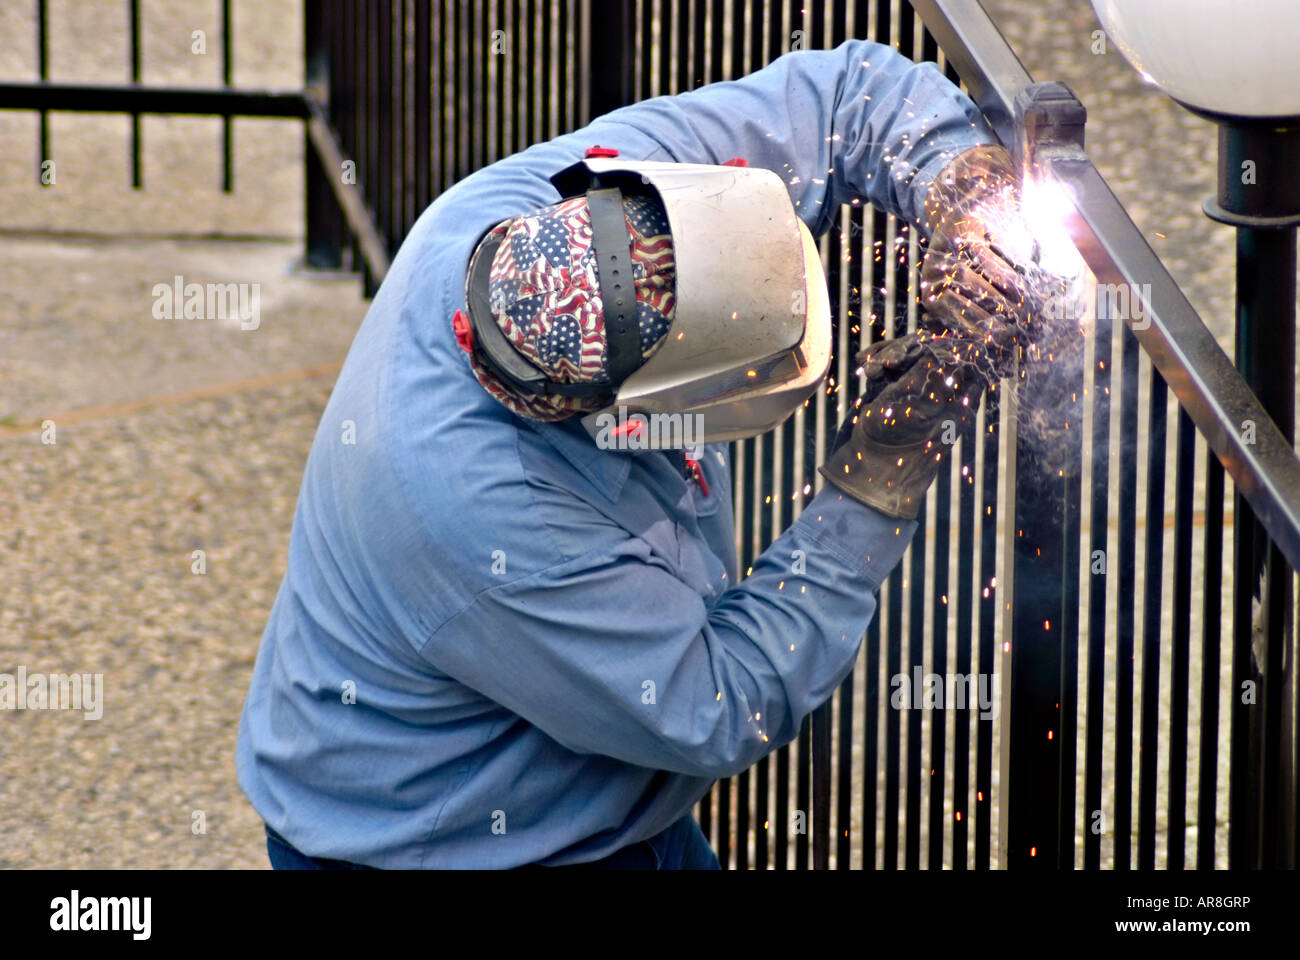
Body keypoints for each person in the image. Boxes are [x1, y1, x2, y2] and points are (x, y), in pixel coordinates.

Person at [236, 36, 1043, 870]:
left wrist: (964, 198)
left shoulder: (543, 200)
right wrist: (879, 474)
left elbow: (844, 95)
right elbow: (719, 702)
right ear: (623, 408)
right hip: (446, 841)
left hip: (595, 800)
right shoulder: (491, 519)